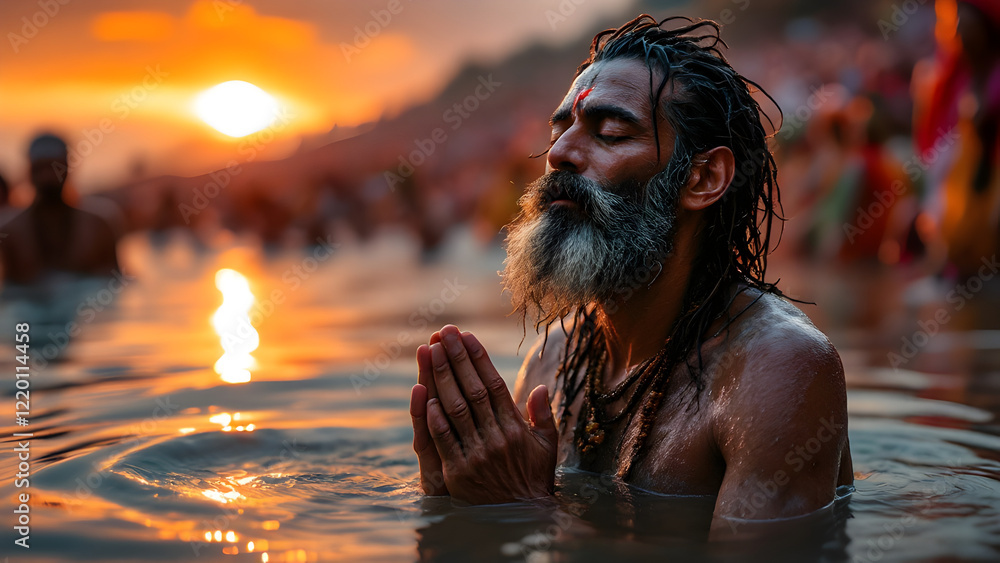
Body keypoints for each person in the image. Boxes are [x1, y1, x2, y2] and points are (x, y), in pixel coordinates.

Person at [408, 15, 852, 536]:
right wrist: (454, 507)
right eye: (561, 128)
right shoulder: (552, 362)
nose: (559, 154)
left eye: (611, 132)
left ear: (703, 178)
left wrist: (522, 510)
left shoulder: (777, 370)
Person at [0, 133, 119, 284]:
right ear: (29, 172)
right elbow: (9, 292)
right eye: (40, 169)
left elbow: (116, 283)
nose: (47, 176)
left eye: (54, 168)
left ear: (69, 169)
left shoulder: (99, 226)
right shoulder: (11, 231)